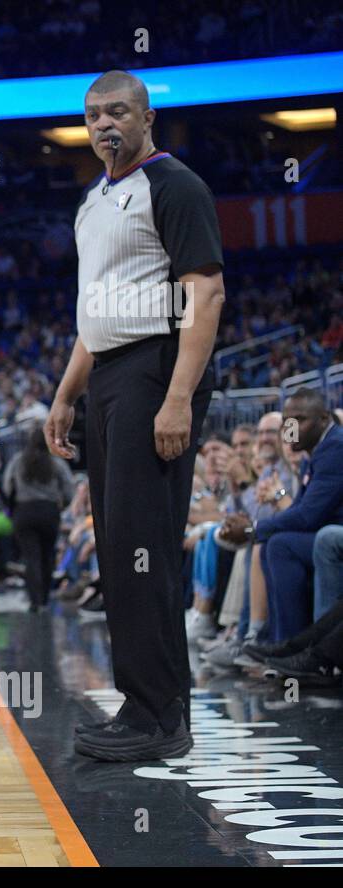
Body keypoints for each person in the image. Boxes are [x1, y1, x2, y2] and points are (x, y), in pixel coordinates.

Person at [45, 70, 224, 762]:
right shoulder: (94, 200)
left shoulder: (174, 185)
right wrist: (65, 394)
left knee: (144, 543)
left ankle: (157, 719)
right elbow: (95, 315)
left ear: (147, 117)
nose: (103, 125)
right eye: (93, 116)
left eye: (117, 112)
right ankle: (146, 708)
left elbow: (204, 293)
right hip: (111, 374)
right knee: (122, 546)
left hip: (158, 366)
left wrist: (179, 395)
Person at [220, 389, 343, 652]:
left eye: (299, 419)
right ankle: (271, 640)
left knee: (279, 545)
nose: (291, 428)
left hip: (333, 535)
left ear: (323, 418)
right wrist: (254, 529)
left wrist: (253, 528)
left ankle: (292, 645)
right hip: (327, 533)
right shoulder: (320, 448)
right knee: (270, 543)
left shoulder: (335, 447)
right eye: (287, 420)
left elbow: (308, 515)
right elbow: (300, 510)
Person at [3, 425, 74, 610]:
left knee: (30, 556)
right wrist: (61, 506)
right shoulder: (56, 463)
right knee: (48, 555)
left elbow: (7, 486)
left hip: (24, 512)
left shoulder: (18, 461)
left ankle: (34, 600)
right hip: (49, 512)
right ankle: (44, 598)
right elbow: (69, 490)